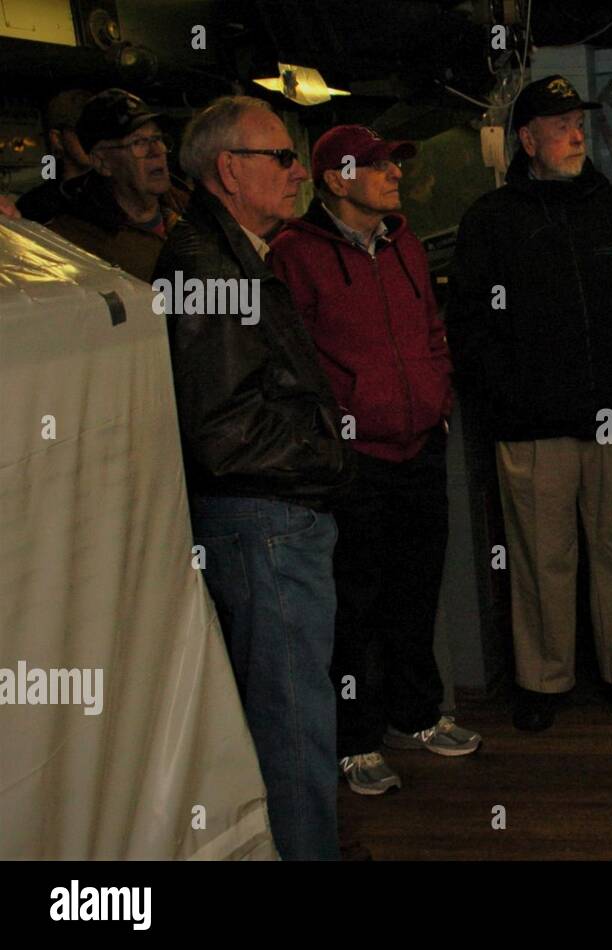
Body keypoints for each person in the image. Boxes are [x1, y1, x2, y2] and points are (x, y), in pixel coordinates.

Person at [155, 95, 355, 860]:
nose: (297, 172)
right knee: (292, 724)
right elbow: (223, 429)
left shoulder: (237, 251)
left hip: (275, 516)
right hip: (264, 523)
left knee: (291, 715)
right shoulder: (205, 264)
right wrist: (332, 459)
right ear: (229, 170)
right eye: (280, 157)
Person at [447, 75, 612, 733]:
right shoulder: (491, 222)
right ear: (527, 140)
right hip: (533, 426)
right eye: (560, 124)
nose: (576, 133)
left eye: (579, 122)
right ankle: (543, 682)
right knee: (540, 560)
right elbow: (469, 326)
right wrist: (510, 398)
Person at [270, 125, 481, 797]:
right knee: (354, 604)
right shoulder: (294, 255)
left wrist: (437, 398)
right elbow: (289, 361)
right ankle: (356, 740)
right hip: (355, 456)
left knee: (417, 590)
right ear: (337, 180)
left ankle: (415, 716)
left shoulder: (405, 242)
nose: (394, 174)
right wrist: (331, 437)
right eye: (380, 164)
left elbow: (429, 332)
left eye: (395, 162)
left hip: (420, 443)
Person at [45, 89, 188, 281]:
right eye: (138, 142)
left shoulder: (195, 210)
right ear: (102, 163)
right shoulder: (72, 243)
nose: (157, 151)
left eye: (157, 138)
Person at [16, 89, 94, 223]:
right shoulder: (35, 205)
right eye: (83, 131)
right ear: (57, 139)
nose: (94, 139)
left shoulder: (121, 194)